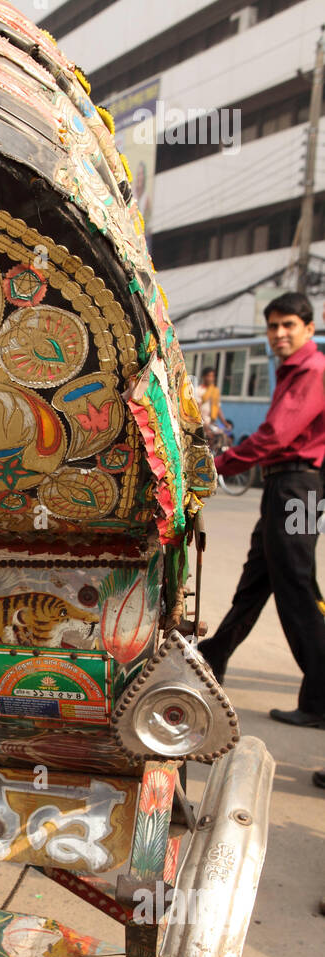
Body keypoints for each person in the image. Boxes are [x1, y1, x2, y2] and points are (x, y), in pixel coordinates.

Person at [197, 292, 325, 727]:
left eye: (289, 324)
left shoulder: (311, 370)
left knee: (297, 591)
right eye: (273, 326)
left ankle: (322, 695)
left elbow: (274, 436)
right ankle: (213, 658)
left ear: (309, 327)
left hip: (298, 488)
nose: (279, 334)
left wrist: (217, 466)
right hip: (288, 488)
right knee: (257, 581)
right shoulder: (293, 371)